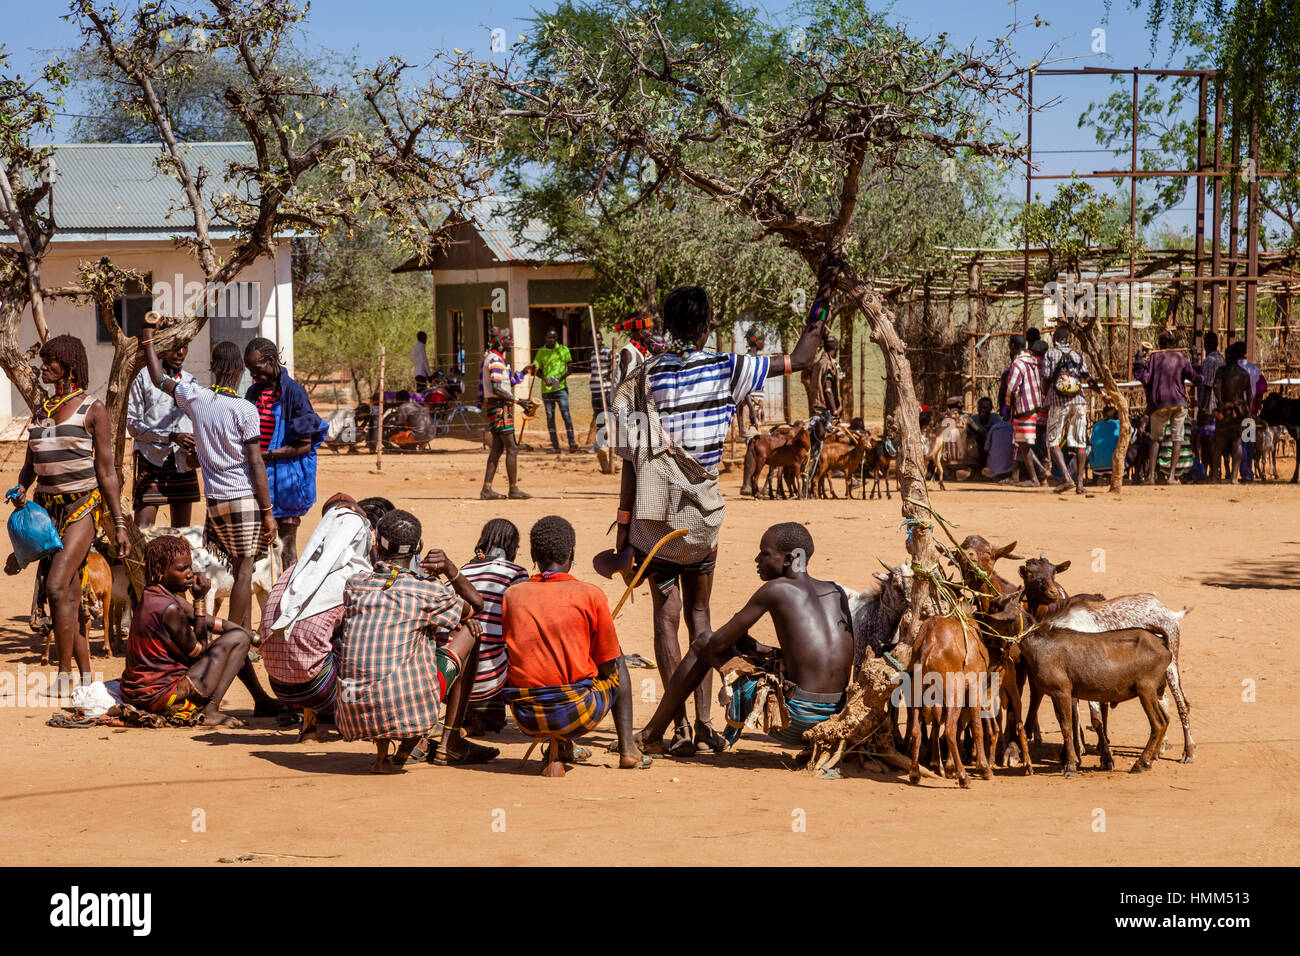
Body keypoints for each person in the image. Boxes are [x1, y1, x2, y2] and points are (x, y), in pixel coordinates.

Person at [601, 284, 827, 756]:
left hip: (651, 520)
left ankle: (677, 725)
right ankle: (705, 724)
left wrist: (624, 538)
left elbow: (629, 462)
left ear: (666, 326)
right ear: (707, 327)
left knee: (666, 620)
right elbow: (803, 358)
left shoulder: (641, 378)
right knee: (700, 615)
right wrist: (820, 307)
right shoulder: (730, 366)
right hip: (702, 522)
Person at [140, 318, 284, 718]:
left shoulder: (196, 397)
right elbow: (255, 462)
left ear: (212, 368)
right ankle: (237, 629)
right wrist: (269, 512)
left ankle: (232, 635)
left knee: (237, 566)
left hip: (214, 501)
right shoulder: (245, 408)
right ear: (238, 372)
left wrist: (148, 338)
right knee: (243, 569)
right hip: (242, 499)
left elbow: (156, 377)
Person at [636, 522, 853, 754]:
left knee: (701, 644)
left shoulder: (777, 589)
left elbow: (716, 644)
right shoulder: (835, 591)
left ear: (789, 559)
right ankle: (695, 732)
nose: (757, 559)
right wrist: (758, 648)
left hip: (795, 721)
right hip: (836, 716)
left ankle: (651, 735)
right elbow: (812, 655)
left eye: (765, 553)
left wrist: (738, 644)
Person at [5, 335, 131, 694]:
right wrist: (21, 487)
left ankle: (63, 678)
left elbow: (107, 472)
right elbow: (31, 465)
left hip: (81, 510)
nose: (43, 367)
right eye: (43, 361)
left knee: (57, 587)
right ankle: (85, 678)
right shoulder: (41, 411)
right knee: (69, 597)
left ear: (70, 366)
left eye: (51, 362)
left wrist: (119, 524)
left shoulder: (93, 409)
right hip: (46, 517)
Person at [334, 509, 485, 773]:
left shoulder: (355, 585)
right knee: (471, 630)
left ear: (376, 544)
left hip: (351, 715)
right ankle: (447, 741)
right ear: (418, 548)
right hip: (404, 709)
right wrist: (450, 569)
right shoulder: (427, 590)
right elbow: (476, 605)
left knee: (390, 653)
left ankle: (383, 757)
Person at [502, 516, 649, 777]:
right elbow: (607, 666)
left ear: (534, 554)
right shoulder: (589, 594)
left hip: (525, 713)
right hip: (577, 712)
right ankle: (628, 749)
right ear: (572, 554)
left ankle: (560, 747)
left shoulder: (512, 595)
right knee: (618, 660)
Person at [259, 494, 371, 743]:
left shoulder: (294, 572)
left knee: (312, 641)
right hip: (316, 688)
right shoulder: (352, 578)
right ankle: (352, 723)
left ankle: (308, 730)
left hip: (278, 685)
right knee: (358, 639)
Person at [121, 535, 252, 726]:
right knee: (238, 640)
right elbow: (200, 652)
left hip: (142, 693)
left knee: (239, 638)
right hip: (162, 697)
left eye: (190, 567)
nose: (190, 573)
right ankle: (211, 710)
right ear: (160, 571)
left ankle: (261, 699)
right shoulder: (169, 609)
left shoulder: (155, 593)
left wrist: (253, 638)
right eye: (182, 569)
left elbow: (209, 621)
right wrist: (199, 600)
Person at [244, 337, 327, 566]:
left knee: (286, 546)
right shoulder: (253, 393)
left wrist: (267, 455)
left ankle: (289, 598)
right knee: (260, 550)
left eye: (257, 369)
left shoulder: (294, 393)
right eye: (250, 370)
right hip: (260, 482)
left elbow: (305, 444)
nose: (253, 375)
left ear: (271, 361)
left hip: (288, 484)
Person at [458, 518, 528, 734]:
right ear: (512, 547)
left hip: (454, 677)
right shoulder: (516, 573)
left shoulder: (463, 571)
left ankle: (472, 717)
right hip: (490, 678)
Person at [126, 339, 199, 528]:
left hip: (183, 462)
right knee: (143, 531)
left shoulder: (190, 381)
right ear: (163, 347)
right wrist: (171, 437)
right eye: (175, 347)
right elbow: (132, 424)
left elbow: (197, 418)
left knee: (183, 533)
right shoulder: (143, 377)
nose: (180, 353)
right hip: (152, 460)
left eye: (185, 347)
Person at [1133, 329, 1202, 485]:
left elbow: (1142, 377)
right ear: (1173, 344)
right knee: (1177, 439)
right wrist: (1196, 358)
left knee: (1155, 440)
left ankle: (1150, 476)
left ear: (1159, 343)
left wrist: (1138, 358)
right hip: (1179, 405)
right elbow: (1197, 378)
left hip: (1160, 405)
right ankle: (1171, 477)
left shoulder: (1153, 358)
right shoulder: (1181, 357)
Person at [477, 326, 536, 500]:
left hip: (499, 407)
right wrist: (519, 401)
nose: (512, 341)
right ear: (501, 342)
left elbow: (508, 382)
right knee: (512, 447)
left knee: (497, 447)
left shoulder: (498, 360)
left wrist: (524, 372)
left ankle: (487, 489)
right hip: (500, 408)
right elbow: (497, 388)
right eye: (508, 339)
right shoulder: (495, 360)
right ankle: (514, 489)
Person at [1042, 326, 1097, 494]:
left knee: (1052, 440)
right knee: (1080, 442)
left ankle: (1067, 478)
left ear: (1054, 340)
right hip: (1079, 401)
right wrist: (1101, 393)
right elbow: (1088, 378)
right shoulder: (1078, 356)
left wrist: (1045, 395)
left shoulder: (1050, 354)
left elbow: (1046, 378)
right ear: (1069, 340)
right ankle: (1080, 483)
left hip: (1058, 402)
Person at [1002, 334, 1044, 486]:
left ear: (1012, 346)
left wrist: (1007, 405)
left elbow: (1011, 388)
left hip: (1023, 408)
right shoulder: (1032, 361)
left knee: (1024, 444)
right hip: (1034, 406)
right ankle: (1042, 472)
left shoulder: (1018, 364)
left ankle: (1035, 478)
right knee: (1024, 442)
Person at [534, 327, 577, 454]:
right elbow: (536, 369)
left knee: (566, 415)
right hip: (546, 390)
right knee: (550, 417)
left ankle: (572, 443)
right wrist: (544, 378)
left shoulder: (563, 350)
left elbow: (571, 369)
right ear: (545, 338)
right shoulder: (541, 352)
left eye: (554, 337)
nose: (552, 340)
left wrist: (561, 378)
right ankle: (555, 446)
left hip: (561, 388)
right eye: (549, 337)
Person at [585, 332, 612, 451]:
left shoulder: (608, 351)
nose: (597, 341)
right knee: (598, 417)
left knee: (608, 416)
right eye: (594, 340)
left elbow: (615, 366)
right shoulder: (592, 353)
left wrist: (607, 373)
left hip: (605, 389)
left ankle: (611, 442)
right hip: (595, 389)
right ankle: (600, 443)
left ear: (602, 339)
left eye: (599, 339)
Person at [965, 396, 1001, 480]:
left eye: (985, 408)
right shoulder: (973, 419)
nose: (982, 410)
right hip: (977, 445)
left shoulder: (995, 418)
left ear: (991, 408)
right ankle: (976, 472)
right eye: (980, 408)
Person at [1088, 405, 1122, 481]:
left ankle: (1098, 478)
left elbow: (1092, 442)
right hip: (1114, 468)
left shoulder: (1096, 425)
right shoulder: (1118, 424)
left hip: (1097, 468)